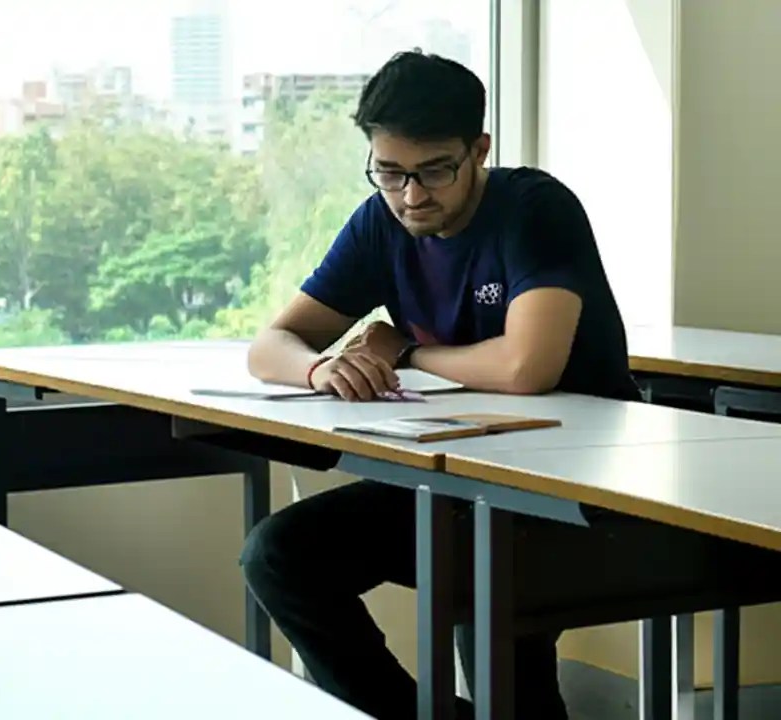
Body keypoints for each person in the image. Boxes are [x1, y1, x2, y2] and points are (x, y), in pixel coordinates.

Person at [238, 50, 758, 719]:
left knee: (492, 627)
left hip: (583, 496)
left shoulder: (533, 208)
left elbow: (525, 367)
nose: (411, 196)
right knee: (279, 555)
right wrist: (319, 367)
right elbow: (269, 346)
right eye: (389, 173)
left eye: (434, 172)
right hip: (466, 480)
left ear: (479, 149)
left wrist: (408, 352)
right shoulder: (381, 221)